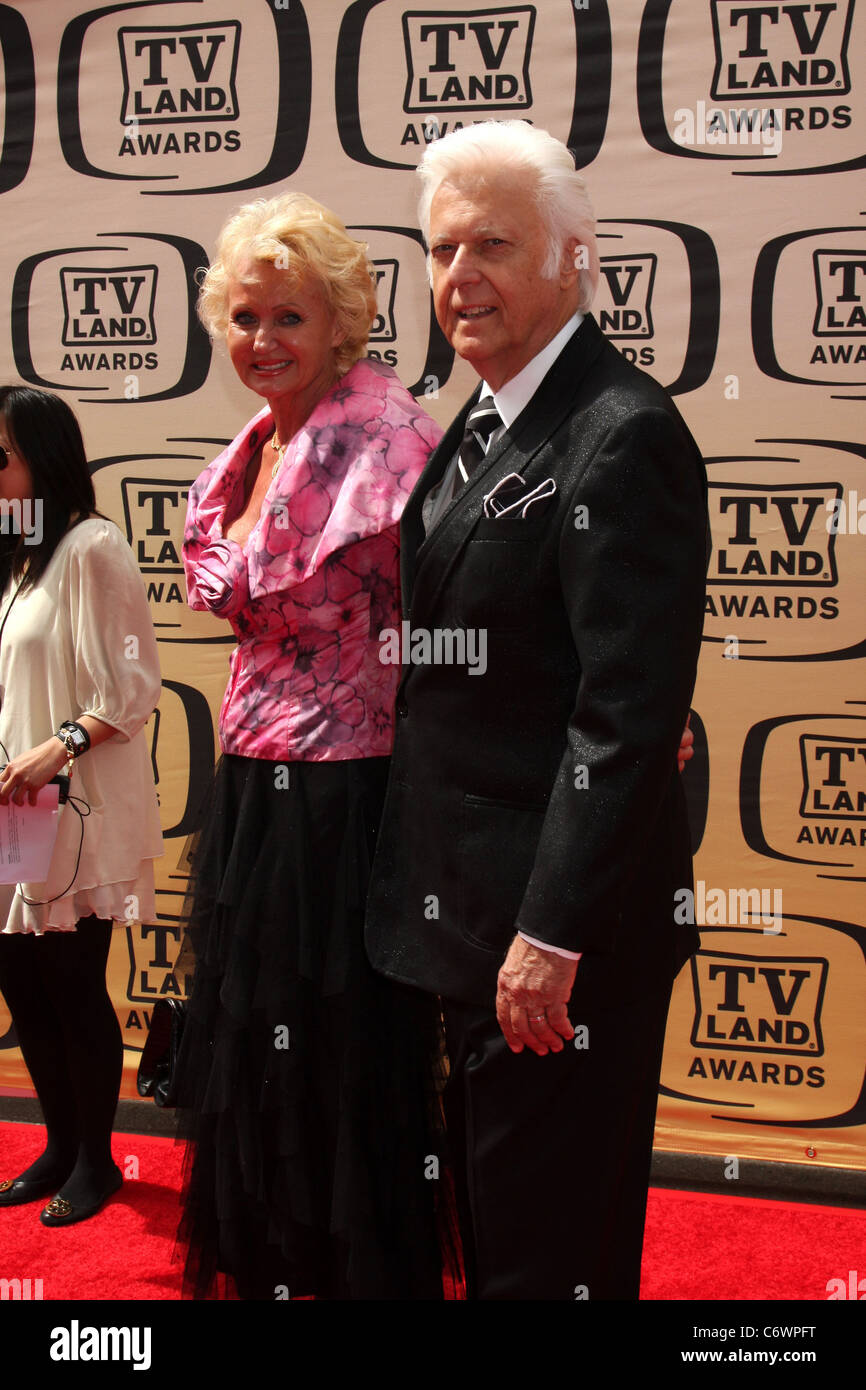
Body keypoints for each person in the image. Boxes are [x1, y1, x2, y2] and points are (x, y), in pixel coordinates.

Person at [365, 121, 708, 1300]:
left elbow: (622, 715)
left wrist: (548, 938)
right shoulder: (483, 413)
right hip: (462, 915)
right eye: (440, 247)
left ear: (573, 256)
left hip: (555, 947)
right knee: (498, 1229)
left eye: (494, 244)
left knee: (544, 1247)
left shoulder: (619, 433)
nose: (460, 276)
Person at [176, 192, 451, 1300]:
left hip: (348, 789)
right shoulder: (256, 443)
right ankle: (277, 1249)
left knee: (335, 1042)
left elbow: (468, 611)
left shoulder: (387, 433)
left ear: (342, 321)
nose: (260, 342)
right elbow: (231, 580)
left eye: (286, 318)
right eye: (243, 318)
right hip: (256, 773)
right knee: (255, 1030)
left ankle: (350, 1263)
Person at [0, 385, 162, 1226]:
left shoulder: (93, 547)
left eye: (1, 457)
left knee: (70, 983)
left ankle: (98, 1160)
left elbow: (133, 690)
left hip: (78, 807)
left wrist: (54, 744)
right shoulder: (20, 561)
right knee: (22, 983)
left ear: (45, 459)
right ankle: (59, 1145)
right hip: (16, 813)